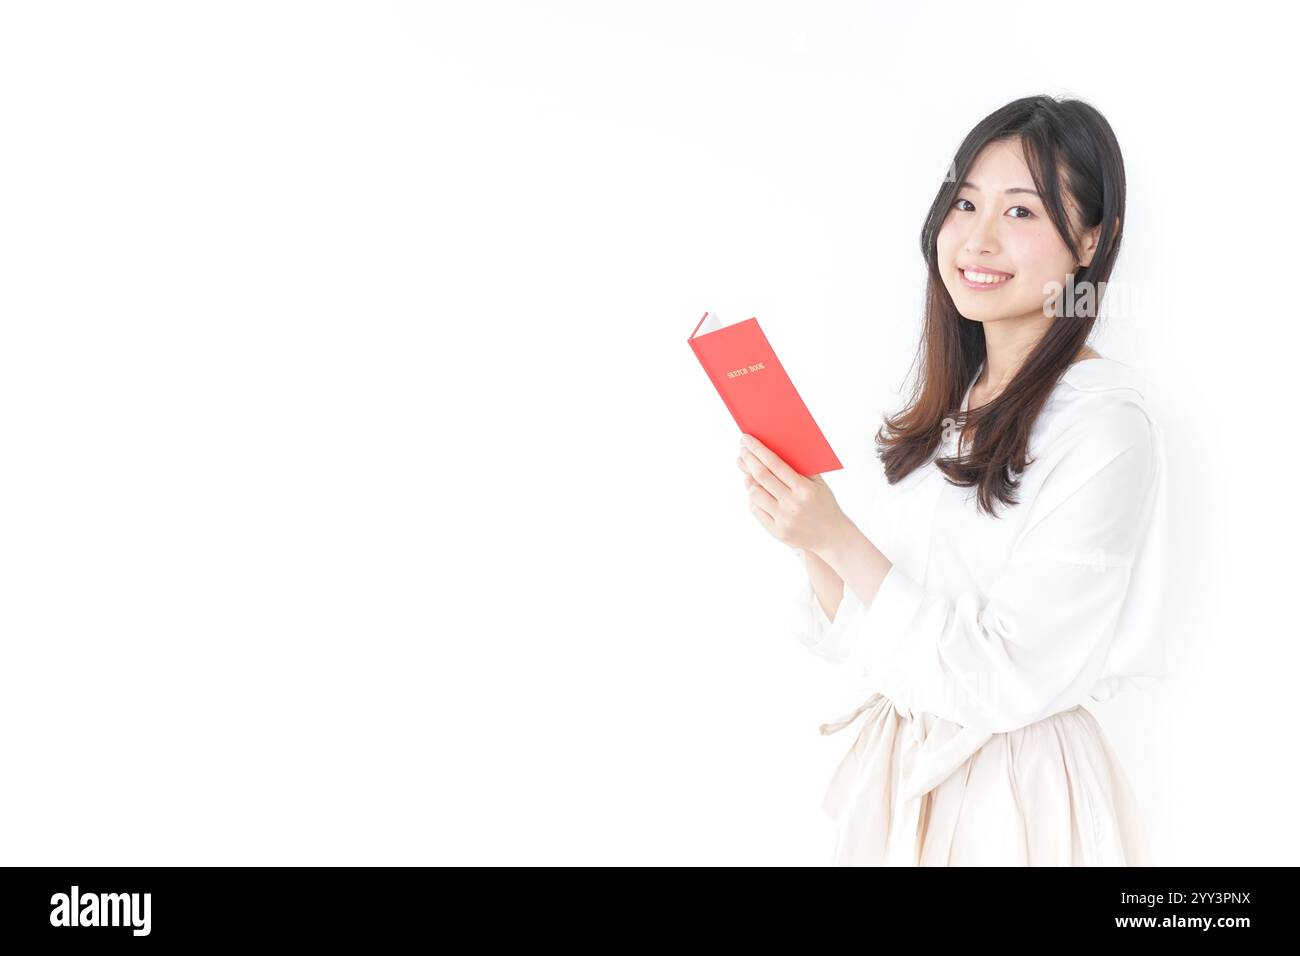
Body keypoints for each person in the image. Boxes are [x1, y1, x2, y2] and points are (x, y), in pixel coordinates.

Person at [736, 95, 1168, 866]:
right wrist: (806, 534)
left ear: (1091, 242)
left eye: (1021, 213)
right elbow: (876, 639)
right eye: (964, 201)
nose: (976, 238)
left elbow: (1002, 677)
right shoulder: (956, 403)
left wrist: (837, 534)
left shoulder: (1102, 427)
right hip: (908, 782)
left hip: (1015, 799)